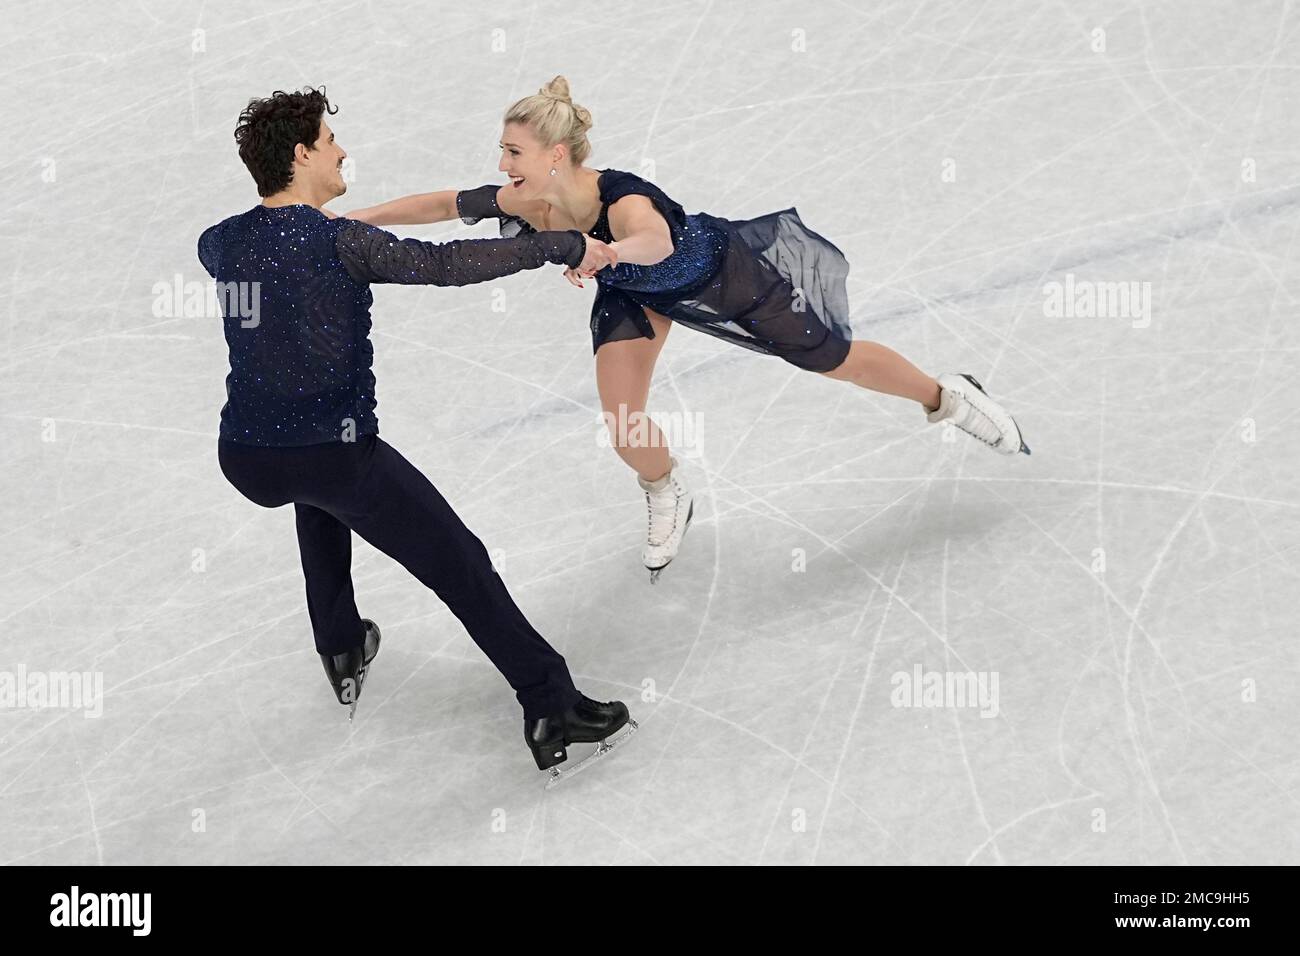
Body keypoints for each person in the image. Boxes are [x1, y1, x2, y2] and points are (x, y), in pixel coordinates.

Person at [346, 76, 1031, 583]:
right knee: (622, 424)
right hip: (634, 298)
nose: (503, 164)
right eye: (502, 150)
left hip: (717, 274)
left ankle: (949, 397)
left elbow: (655, 245)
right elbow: (442, 202)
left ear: (557, 153)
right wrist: (357, 221)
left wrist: (609, 253)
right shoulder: (529, 197)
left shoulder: (622, 198)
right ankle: (665, 486)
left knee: (834, 359)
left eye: (513, 150)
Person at [199, 86, 636, 780]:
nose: (342, 149)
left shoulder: (219, 242)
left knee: (312, 487)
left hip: (247, 457)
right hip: (334, 455)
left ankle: (340, 643)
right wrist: (558, 245)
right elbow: (445, 266)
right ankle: (551, 703)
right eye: (329, 139)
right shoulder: (341, 241)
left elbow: (258, 276)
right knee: (459, 561)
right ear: (303, 153)